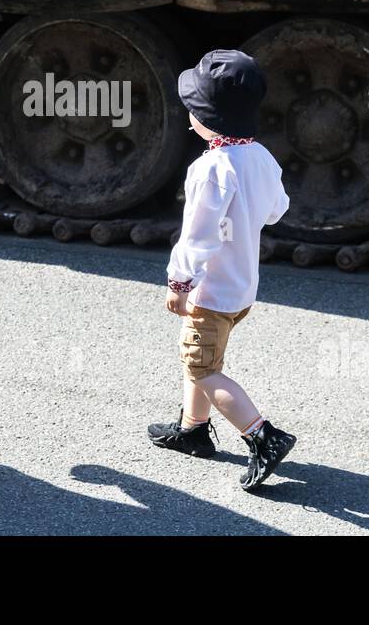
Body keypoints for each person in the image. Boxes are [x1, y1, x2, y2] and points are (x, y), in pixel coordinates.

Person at [147, 49, 297, 491]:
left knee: (202, 366)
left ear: (208, 118)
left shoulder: (210, 169)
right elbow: (276, 210)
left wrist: (178, 281)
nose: (189, 115)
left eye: (194, 108)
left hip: (210, 292)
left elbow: (197, 236)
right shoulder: (261, 158)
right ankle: (193, 431)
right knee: (203, 361)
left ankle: (262, 436)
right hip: (242, 289)